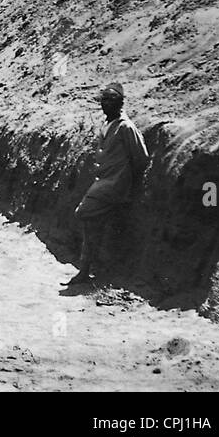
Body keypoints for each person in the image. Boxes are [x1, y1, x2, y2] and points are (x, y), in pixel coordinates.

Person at [64, 82, 149, 288]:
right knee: (92, 223)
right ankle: (87, 269)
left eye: (111, 100)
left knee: (83, 213)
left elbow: (141, 157)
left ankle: (86, 270)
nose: (106, 103)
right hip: (103, 182)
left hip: (114, 184)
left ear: (121, 103)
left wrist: (126, 179)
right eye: (103, 99)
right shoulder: (108, 125)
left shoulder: (126, 127)